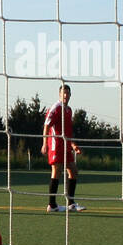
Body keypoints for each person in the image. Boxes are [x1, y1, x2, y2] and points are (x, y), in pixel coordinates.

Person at [43, 83, 83, 212]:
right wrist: (44, 143)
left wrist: (73, 145)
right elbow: (47, 125)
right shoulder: (55, 108)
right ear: (59, 95)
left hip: (65, 145)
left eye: (67, 93)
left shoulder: (69, 110)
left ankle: (71, 203)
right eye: (63, 93)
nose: (65, 95)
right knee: (57, 171)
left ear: (70, 95)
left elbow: (67, 131)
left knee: (73, 171)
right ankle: (52, 205)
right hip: (55, 144)